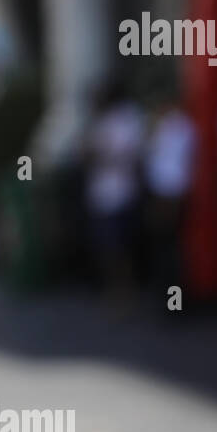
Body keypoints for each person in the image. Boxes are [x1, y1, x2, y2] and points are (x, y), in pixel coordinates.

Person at [85, 81, 146, 301]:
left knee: (122, 246)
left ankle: (125, 292)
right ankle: (114, 292)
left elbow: (130, 155)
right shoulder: (101, 121)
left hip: (122, 193)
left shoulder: (128, 119)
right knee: (106, 246)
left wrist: (105, 156)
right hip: (102, 195)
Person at [144, 98, 195, 291]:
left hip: (170, 192)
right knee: (167, 246)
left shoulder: (176, 126)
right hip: (166, 191)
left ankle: (174, 299)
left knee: (170, 247)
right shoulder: (168, 125)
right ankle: (171, 298)